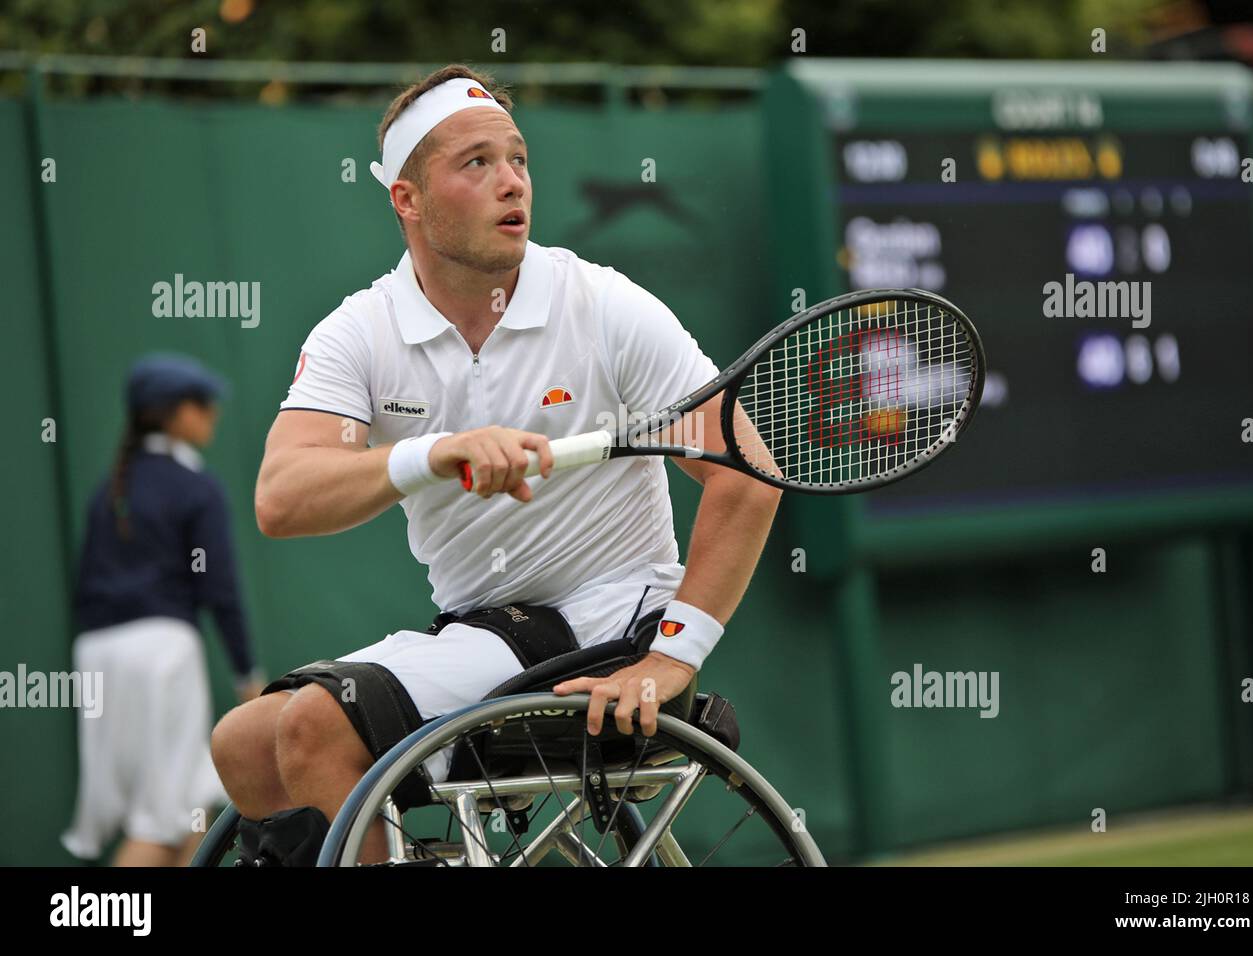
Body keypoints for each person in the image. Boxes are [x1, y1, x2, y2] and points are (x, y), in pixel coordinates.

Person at [211, 64, 782, 866]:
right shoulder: (361, 332)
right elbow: (282, 496)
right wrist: (430, 454)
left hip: (613, 629)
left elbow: (745, 470)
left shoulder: (603, 305)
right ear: (407, 200)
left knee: (312, 724)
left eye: (517, 159)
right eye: (475, 163)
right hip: (489, 635)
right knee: (243, 741)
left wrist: (670, 658)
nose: (511, 182)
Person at [61, 354, 262, 867]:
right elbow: (220, 588)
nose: (212, 413)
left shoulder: (109, 491)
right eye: (201, 403)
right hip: (161, 656)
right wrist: (247, 675)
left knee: (187, 807)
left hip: (98, 657)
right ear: (173, 413)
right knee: (164, 820)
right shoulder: (197, 486)